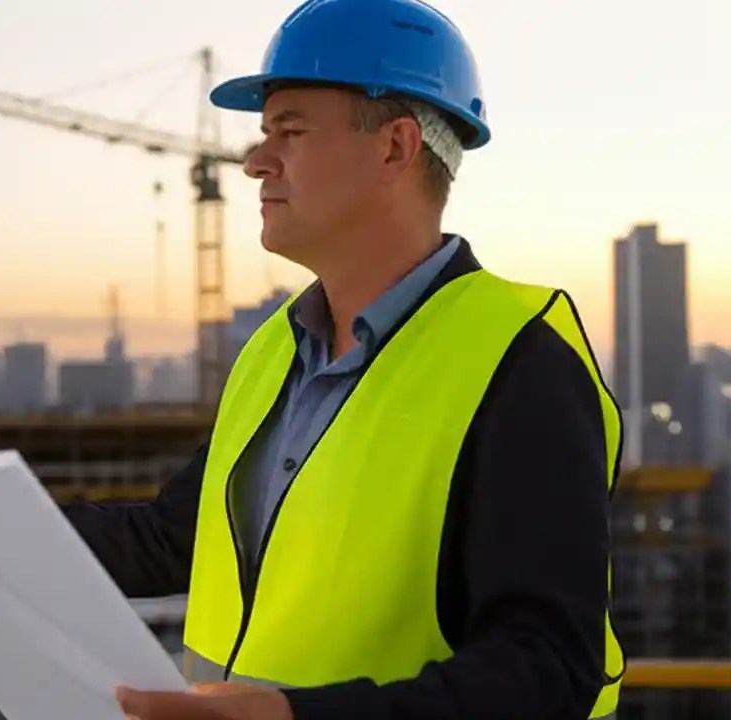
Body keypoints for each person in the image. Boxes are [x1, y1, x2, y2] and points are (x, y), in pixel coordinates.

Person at [61, 1, 626, 718]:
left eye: (289, 131)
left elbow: (545, 668)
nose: (254, 161)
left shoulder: (520, 358)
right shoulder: (275, 349)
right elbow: (180, 537)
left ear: (394, 148)